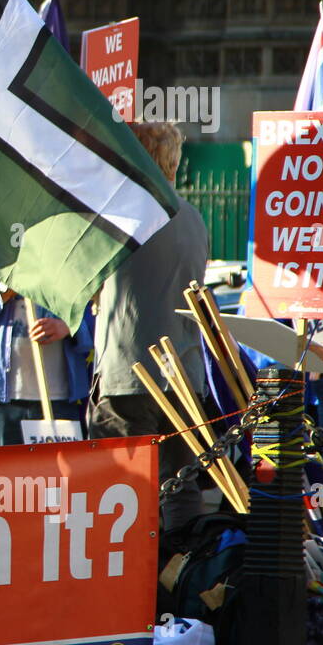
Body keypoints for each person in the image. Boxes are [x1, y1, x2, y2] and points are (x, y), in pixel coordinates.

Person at [88, 121, 208, 533]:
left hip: (129, 372)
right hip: (185, 372)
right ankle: (183, 576)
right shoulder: (193, 217)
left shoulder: (120, 214)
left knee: (121, 491)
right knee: (182, 490)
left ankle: (133, 586)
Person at [0, 263, 92, 446]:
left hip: (59, 399)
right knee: (3, 473)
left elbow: (96, 313)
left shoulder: (69, 256)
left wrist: (69, 327)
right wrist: (3, 289)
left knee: (58, 474)